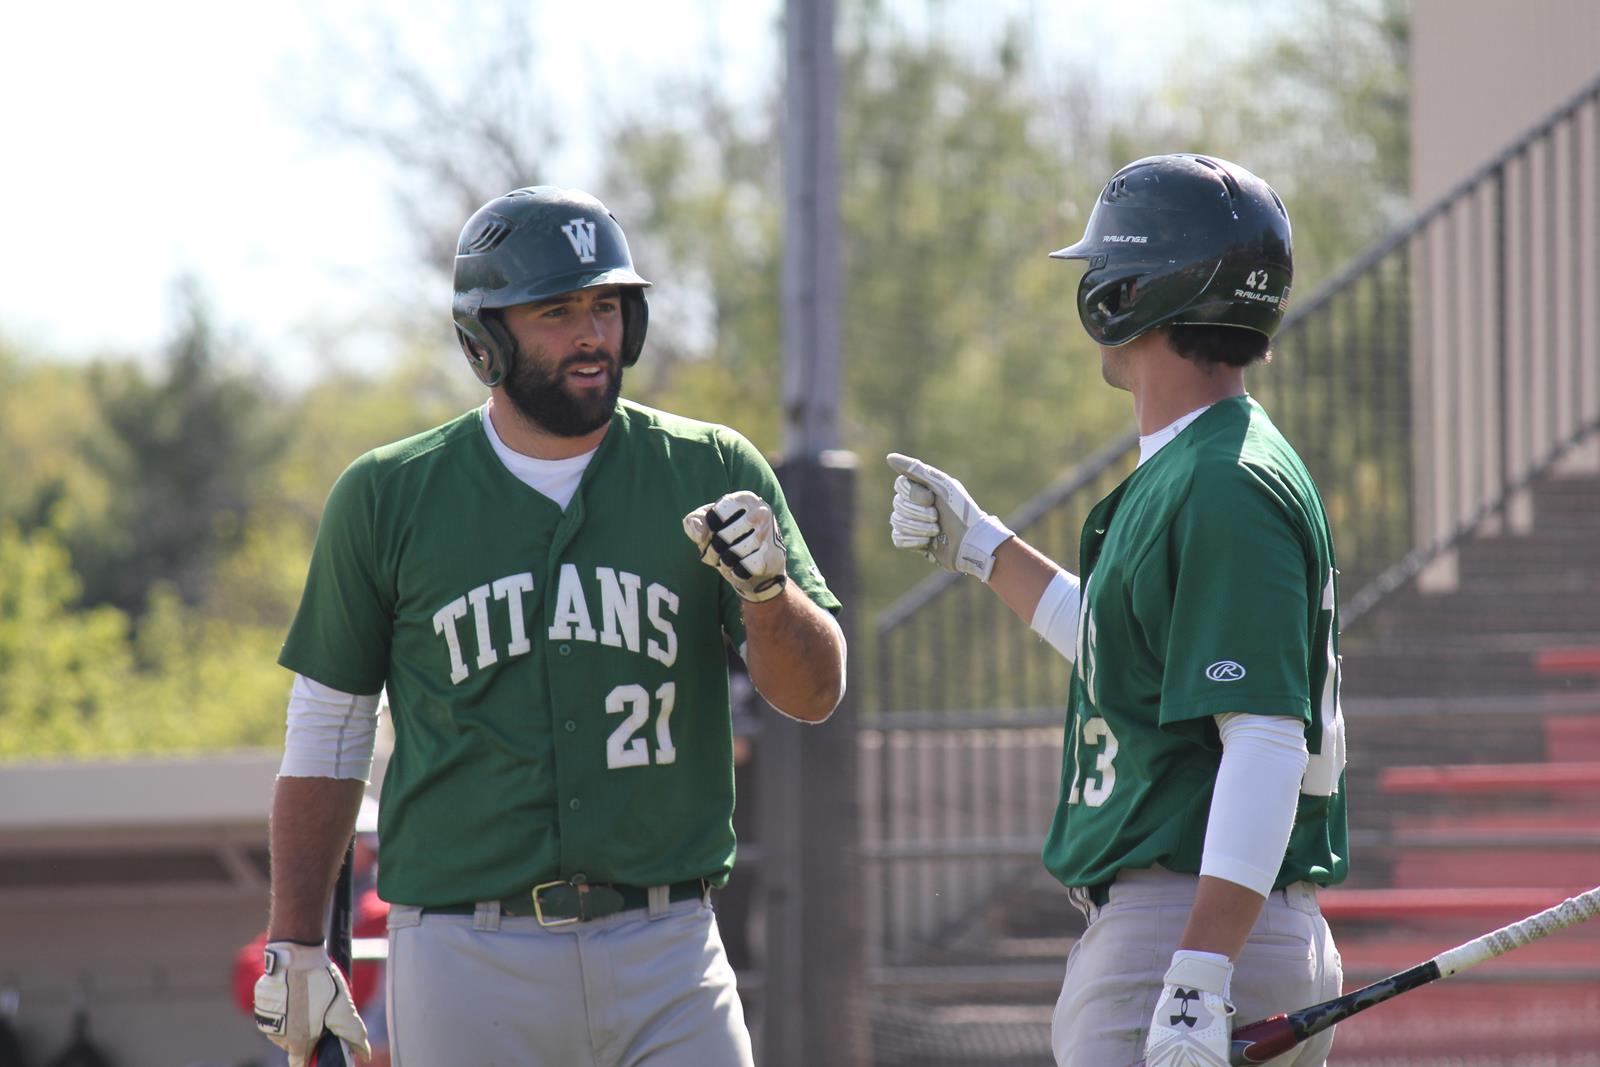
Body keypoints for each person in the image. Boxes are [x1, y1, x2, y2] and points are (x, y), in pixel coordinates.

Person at [252, 185, 846, 1067]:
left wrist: (769, 596)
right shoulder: (387, 494)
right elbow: (330, 726)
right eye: (557, 310)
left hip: (668, 941)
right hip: (466, 948)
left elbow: (815, 694)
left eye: (607, 305)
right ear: (483, 336)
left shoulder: (711, 468)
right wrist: (297, 938)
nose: (591, 335)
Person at [887, 154, 1347, 1067]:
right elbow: (1122, 653)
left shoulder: (1224, 479)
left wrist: (1198, 972)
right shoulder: (1201, 459)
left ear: (1131, 289)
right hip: (1204, 918)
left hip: (1192, 921)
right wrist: (984, 549)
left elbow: (1263, 739)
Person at [234, 795, 389, 1066]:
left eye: (349, 841)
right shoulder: (312, 899)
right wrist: (288, 984)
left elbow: (354, 983)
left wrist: (294, 977)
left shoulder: (383, 903)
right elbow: (248, 978)